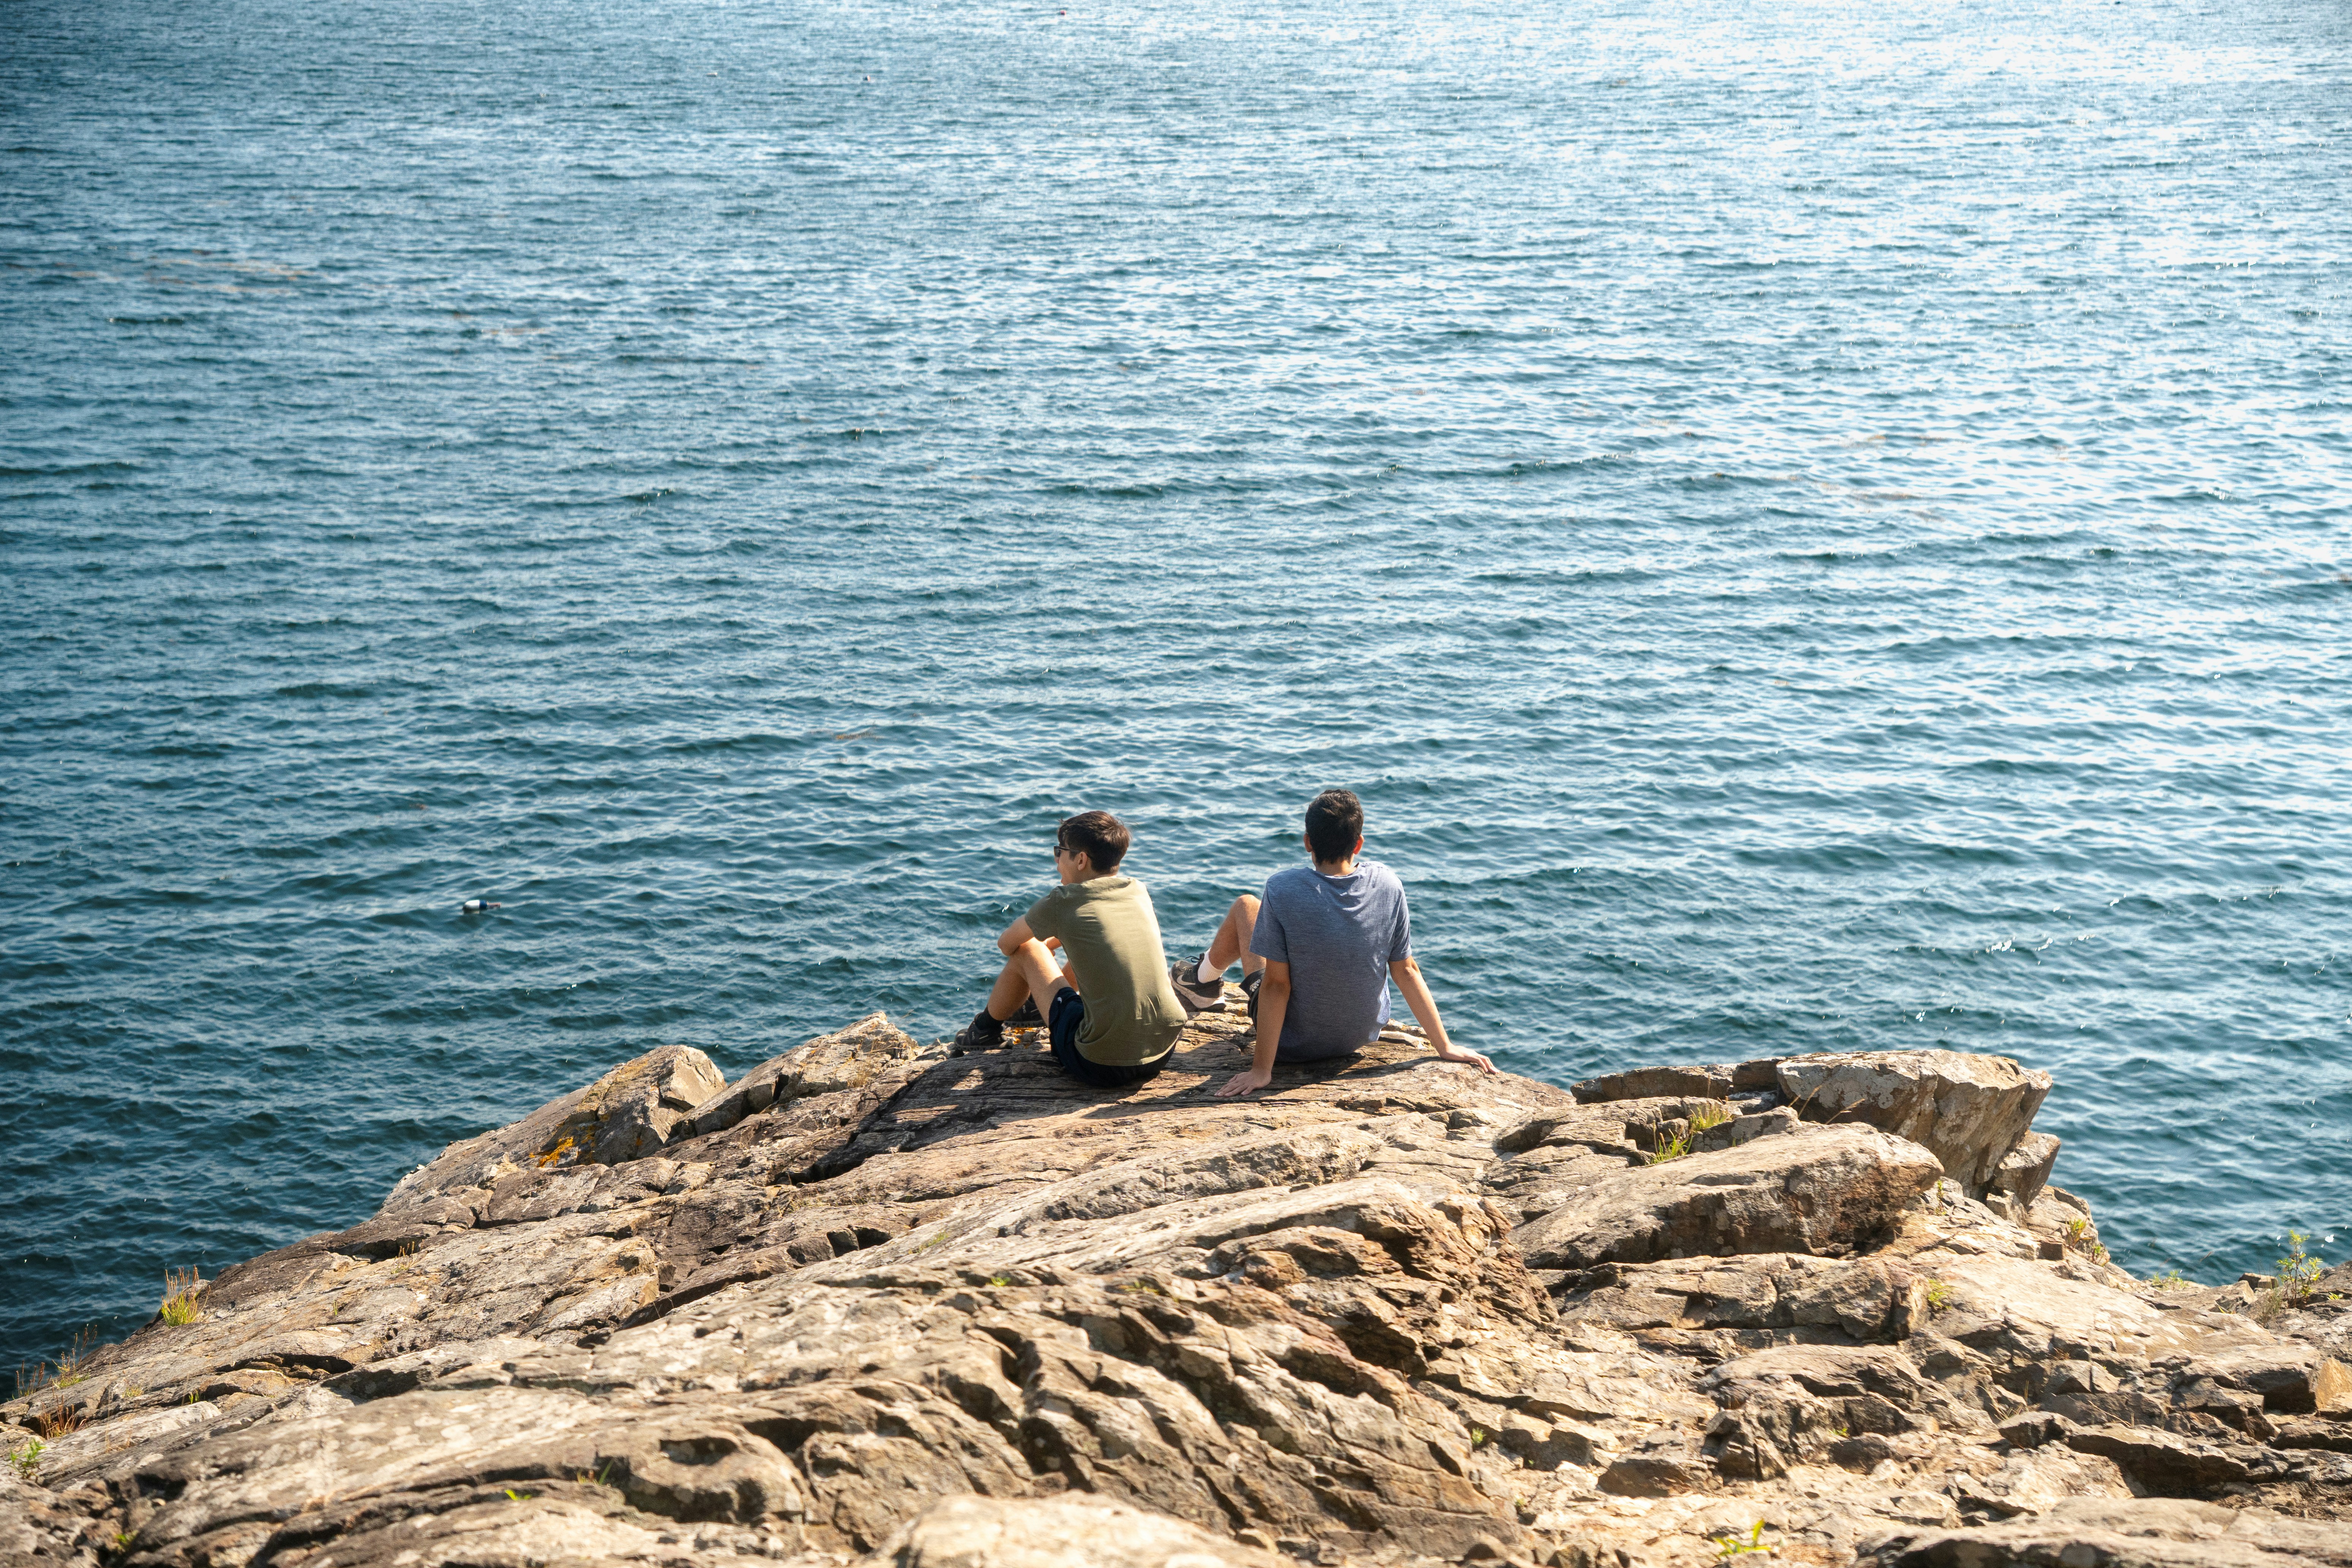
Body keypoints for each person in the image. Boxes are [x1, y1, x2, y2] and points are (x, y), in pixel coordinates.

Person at [1165, 789, 1494, 1098]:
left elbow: (1277, 986)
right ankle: (1201, 980)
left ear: (1308, 842)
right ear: (1359, 843)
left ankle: (1202, 981)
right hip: (1359, 1037)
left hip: (1292, 1044)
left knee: (1246, 907)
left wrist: (1262, 1070)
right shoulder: (1389, 884)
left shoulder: (1283, 888)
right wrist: (1445, 1047)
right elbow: (1406, 971)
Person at [952, 810, 1189, 1088]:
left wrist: (1038, 961)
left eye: (1059, 852)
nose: (1056, 862)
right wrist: (1049, 954)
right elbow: (1088, 939)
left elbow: (1007, 945)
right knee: (1077, 948)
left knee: (1027, 950)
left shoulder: (1062, 902)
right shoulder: (1137, 891)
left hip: (1099, 1063)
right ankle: (1034, 1009)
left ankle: (984, 1031)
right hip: (1162, 1051)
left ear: (1080, 860)